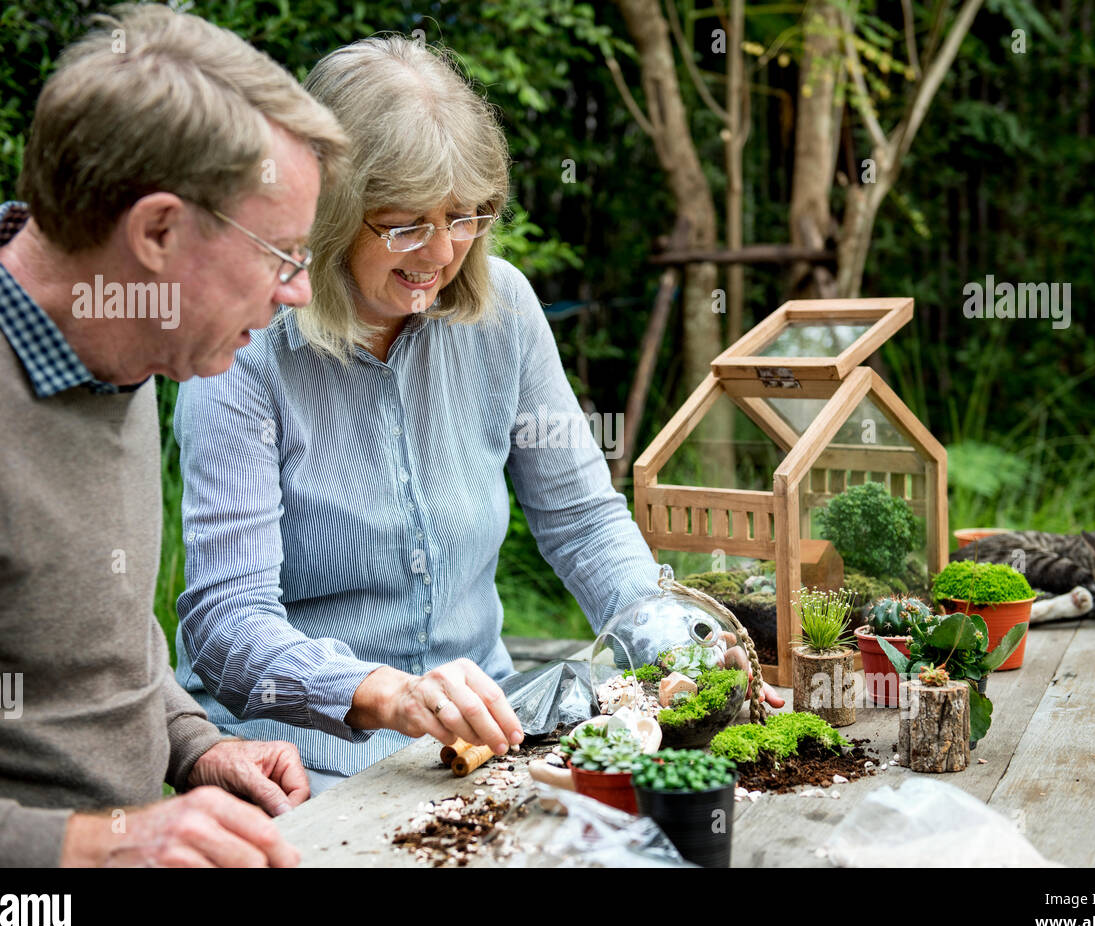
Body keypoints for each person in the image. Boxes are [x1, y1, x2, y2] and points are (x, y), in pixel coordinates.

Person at [173, 36, 784, 792]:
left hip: (491, 733)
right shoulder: (246, 347)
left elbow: (583, 520)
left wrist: (671, 642)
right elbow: (228, 624)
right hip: (303, 759)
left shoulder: (507, 313)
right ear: (330, 209)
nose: (439, 252)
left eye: (463, 216)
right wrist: (388, 693)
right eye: (403, 224)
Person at [0, 4, 350, 866]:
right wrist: (96, 843)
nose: (298, 292)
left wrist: (195, 745)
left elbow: (95, 644)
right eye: (284, 255)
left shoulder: (131, 340)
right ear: (156, 231)